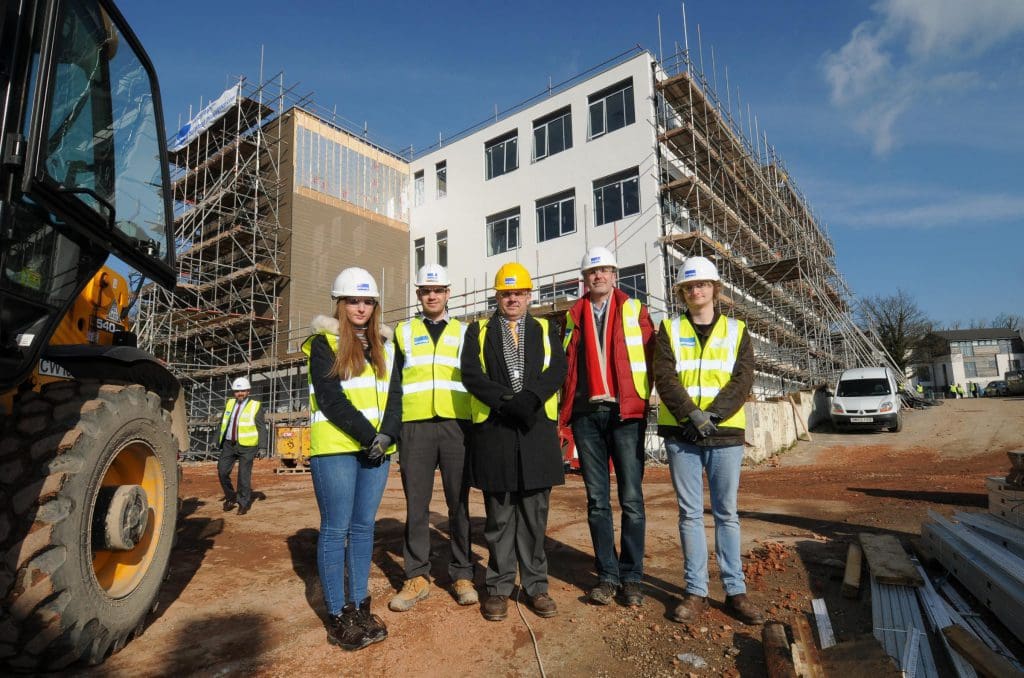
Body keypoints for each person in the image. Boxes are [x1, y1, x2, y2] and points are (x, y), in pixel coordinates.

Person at [653, 256, 764, 626]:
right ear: (682, 293)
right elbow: (665, 377)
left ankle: (736, 591)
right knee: (689, 514)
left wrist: (711, 416)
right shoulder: (668, 329)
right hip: (682, 435)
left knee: (726, 514)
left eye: (701, 285)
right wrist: (691, 415)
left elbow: (743, 378)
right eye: (688, 286)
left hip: (724, 434)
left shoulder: (737, 330)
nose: (695, 291)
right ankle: (696, 591)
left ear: (715, 289)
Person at [301, 267, 402, 651]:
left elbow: (396, 396)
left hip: (378, 449)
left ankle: (360, 605)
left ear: (375, 305)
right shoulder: (323, 342)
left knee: (363, 528)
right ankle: (339, 614)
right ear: (340, 304)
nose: (360, 307)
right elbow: (330, 397)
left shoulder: (388, 345)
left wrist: (389, 434)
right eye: (353, 301)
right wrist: (367, 437)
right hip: (338, 448)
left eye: (367, 301)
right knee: (336, 529)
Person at [460, 262, 567, 622]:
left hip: (535, 431)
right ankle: (499, 586)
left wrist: (531, 398)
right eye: (507, 293)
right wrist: (508, 401)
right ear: (497, 296)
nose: (513, 299)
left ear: (528, 295)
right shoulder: (477, 331)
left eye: (519, 293)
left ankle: (536, 586)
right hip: (497, 432)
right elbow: (472, 375)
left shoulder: (546, 328)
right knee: (500, 517)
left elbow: (557, 370)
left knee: (535, 516)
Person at [560, 247, 654, 607]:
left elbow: (651, 355)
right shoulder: (573, 315)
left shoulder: (634, 310)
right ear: (585, 279)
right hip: (587, 415)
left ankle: (632, 577)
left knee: (631, 500)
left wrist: (646, 402)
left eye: (604, 271)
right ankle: (607, 575)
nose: (598, 276)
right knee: (597, 501)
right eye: (592, 272)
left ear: (615, 275)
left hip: (625, 414)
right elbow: (567, 364)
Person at [389, 264, 477, 611]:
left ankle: (462, 574)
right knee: (417, 505)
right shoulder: (404, 332)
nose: (432, 296)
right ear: (418, 295)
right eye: (426, 291)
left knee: (460, 504)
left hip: (456, 425)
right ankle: (417, 575)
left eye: (438, 290)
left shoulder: (465, 331)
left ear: (447, 294)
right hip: (416, 426)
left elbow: (474, 378)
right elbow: (394, 384)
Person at [217, 376, 267, 515]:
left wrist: (262, 447)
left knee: (243, 476)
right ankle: (231, 496)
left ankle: (243, 503)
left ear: (248, 391)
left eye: (243, 391)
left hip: (248, 446)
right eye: (237, 391)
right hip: (229, 444)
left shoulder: (255, 405)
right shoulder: (229, 403)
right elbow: (222, 423)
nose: (240, 394)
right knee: (222, 472)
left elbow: (261, 427)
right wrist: (216, 440)